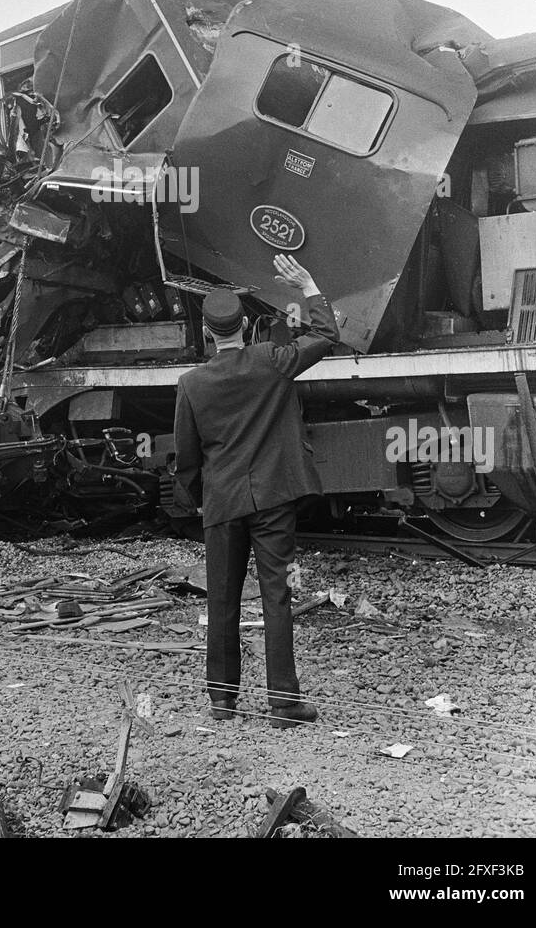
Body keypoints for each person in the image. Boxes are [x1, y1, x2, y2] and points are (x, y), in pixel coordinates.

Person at [172, 254, 339, 728]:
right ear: (246, 325)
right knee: (277, 596)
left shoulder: (191, 384)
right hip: (272, 500)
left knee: (221, 600)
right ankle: (283, 704)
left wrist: (199, 499)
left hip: (222, 503)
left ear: (207, 332)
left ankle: (222, 701)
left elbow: (187, 457)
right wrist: (308, 286)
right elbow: (325, 335)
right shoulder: (272, 361)